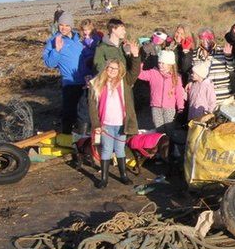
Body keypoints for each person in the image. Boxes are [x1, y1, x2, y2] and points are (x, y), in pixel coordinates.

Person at [88, 44, 141, 189]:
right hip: (105, 123)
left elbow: (135, 72)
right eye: (109, 68)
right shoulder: (96, 83)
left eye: (115, 69)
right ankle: (104, 178)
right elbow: (92, 107)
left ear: (119, 70)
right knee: (106, 149)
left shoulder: (125, 81)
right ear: (106, 69)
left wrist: (135, 57)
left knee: (120, 149)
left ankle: (123, 175)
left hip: (121, 123)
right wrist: (96, 125)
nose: (112, 71)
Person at [43, 12, 87, 134]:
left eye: (67, 25)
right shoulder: (53, 41)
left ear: (71, 26)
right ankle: (67, 140)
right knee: (69, 114)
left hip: (87, 82)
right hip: (70, 84)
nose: (64, 28)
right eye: (61, 25)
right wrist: (57, 50)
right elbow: (50, 63)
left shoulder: (80, 38)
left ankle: (83, 140)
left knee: (85, 115)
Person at [137, 48, 186, 131]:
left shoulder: (176, 77)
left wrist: (180, 107)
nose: (160, 65)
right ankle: (161, 143)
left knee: (170, 128)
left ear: (170, 64)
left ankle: (171, 143)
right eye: (159, 62)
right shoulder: (153, 73)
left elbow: (179, 93)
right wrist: (141, 63)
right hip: (156, 106)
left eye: (163, 63)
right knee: (159, 129)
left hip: (170, 107)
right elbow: (139, 74)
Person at [192, 28, 235, 103]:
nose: (205, 41)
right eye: (202, 39)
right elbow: (193, 73)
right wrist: (190, 81)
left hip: (222, 96)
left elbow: (231, 68)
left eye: (208, 38)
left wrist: (228, 56)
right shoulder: (195, 54)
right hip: (204, 97)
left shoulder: (221, 51)